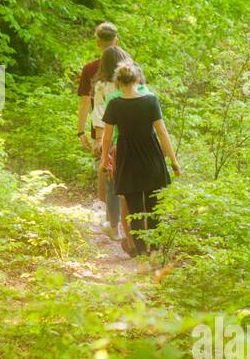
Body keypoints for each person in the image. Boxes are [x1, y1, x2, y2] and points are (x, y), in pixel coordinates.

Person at [100, 62, 182, 257]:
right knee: (155, 209)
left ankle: (142, 258)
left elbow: (107, 137)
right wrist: (173, 161)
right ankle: (154, 253)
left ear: (117, 82)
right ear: (138, 79)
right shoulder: (150, 100)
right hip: (152, 158)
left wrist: (105, 161)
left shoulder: (114, 104)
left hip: (128, 160)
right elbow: (162, 133)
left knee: (135, 211)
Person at [90, 45, 134, 238]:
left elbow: (99, 114)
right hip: (133, 138)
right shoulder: (136, 85)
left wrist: (99, 140)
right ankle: (134, 228)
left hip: (113, 139)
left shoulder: (101, 85)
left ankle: (115, 226)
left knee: (112, 182)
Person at [76, 22, 120, 156]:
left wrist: (81, 132)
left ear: (98, 43)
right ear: (116, 41)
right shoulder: (128, 67)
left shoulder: (89, 69)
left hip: (100, 128)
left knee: (102, 168)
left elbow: (85, 102)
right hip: (126, 126)